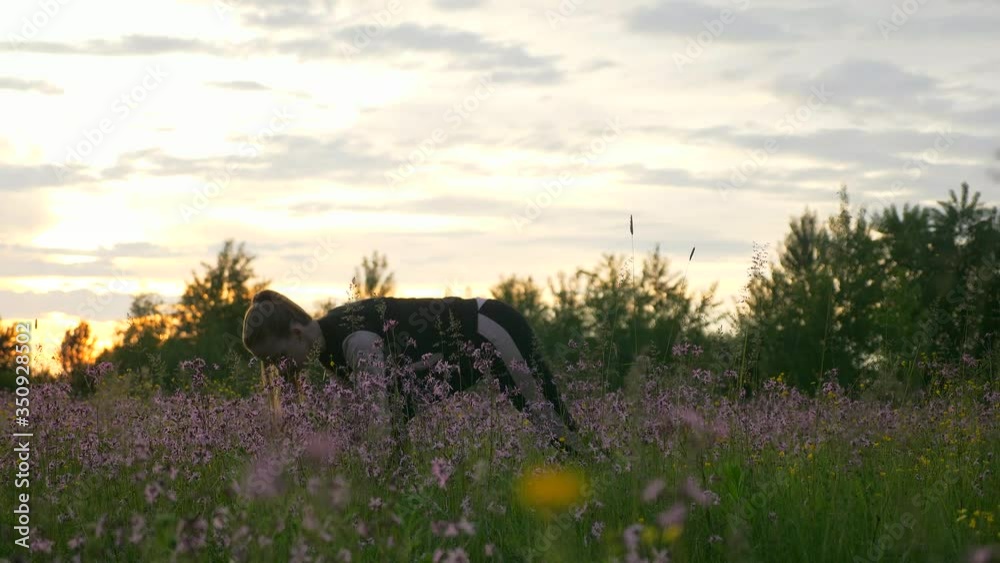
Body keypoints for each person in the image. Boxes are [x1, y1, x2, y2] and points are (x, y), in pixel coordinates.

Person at [241, 289, 582, 451]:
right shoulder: (326, 351)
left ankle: (598, 474)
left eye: (277, 357)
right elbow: (379, 421)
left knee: (551, 422)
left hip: (490, 326)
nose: (278, 369)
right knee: (548, 425)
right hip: (473, 341)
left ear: (297, 334)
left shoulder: (354, 342)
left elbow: (379, 425)